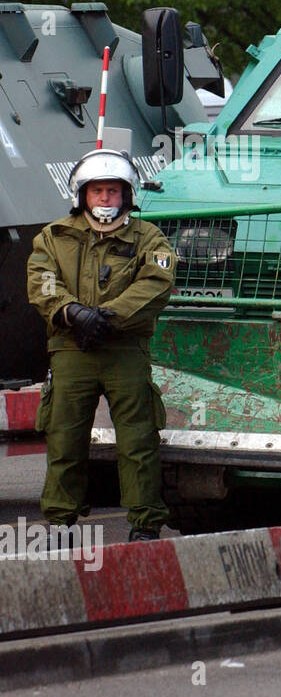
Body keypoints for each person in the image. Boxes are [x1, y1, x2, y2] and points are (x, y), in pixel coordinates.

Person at [27, 148, 175, 541]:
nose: (105, 199)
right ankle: (60, 522)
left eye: (113, 190)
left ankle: (145, 524)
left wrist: (107, 317)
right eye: (97, 191)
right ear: (82, 195)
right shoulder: (53, 237)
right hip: (71, 349)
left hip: (124, 351)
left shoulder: (150, 238)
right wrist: (73, 313)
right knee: (64, 437)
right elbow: (41, 283)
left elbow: (156, 285)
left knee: (138, 440)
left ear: (127, 194)